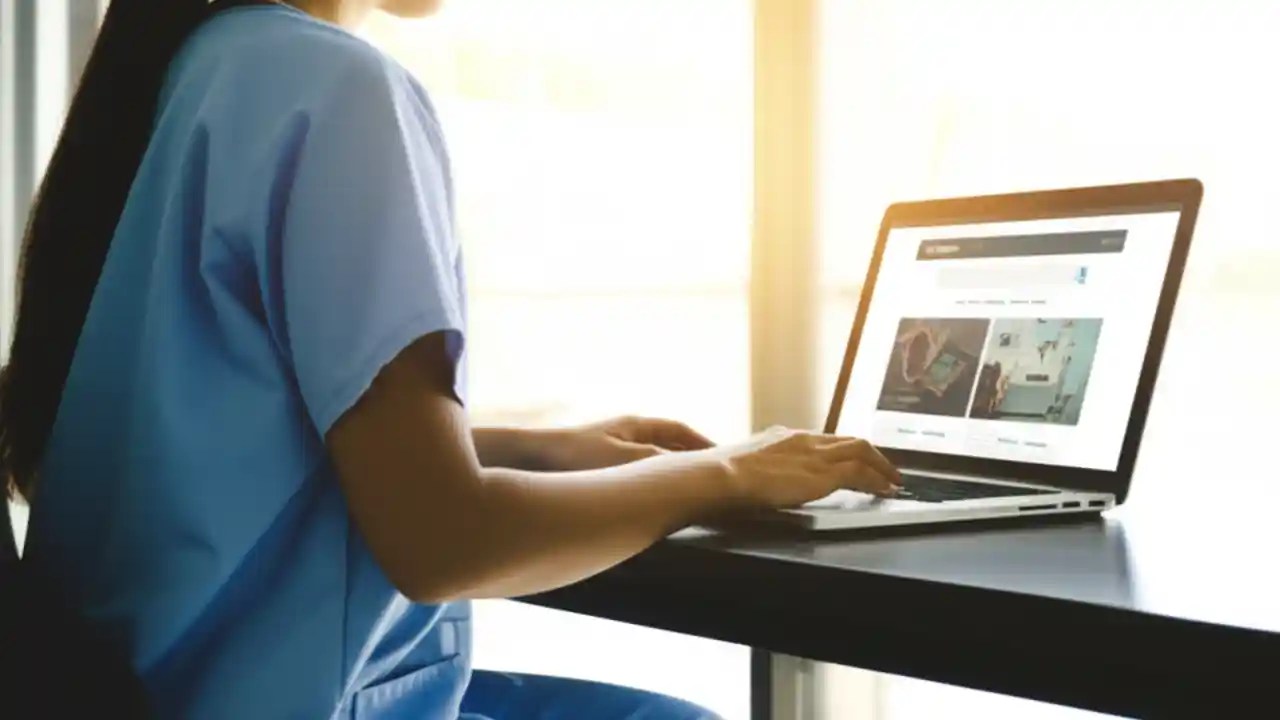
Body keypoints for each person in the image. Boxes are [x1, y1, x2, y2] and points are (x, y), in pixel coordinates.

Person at [0, 1, 901, 718]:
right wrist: (724, 474)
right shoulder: (333, 85)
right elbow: (444, 542)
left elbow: (215, 453)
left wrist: (535, 449)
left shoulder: (187, 69)